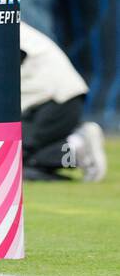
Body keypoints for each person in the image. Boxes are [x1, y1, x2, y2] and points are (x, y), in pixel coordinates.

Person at [21, 23, 107, 182]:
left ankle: (75, 146)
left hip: (55, 103)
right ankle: (76, 144)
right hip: (50, 102)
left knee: (8, 157)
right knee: (14, 163)